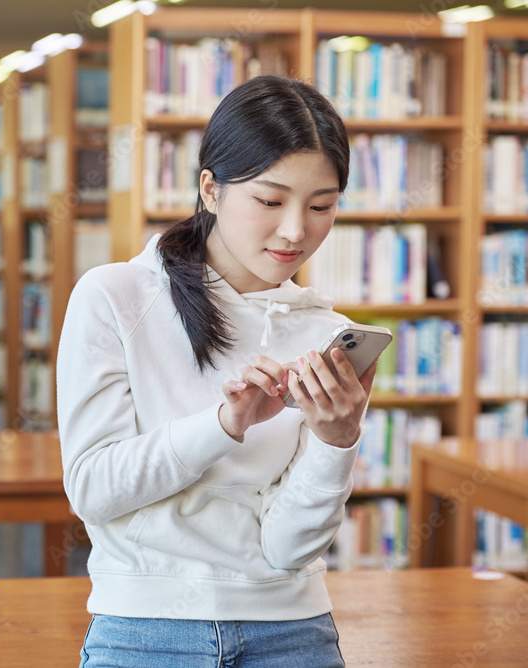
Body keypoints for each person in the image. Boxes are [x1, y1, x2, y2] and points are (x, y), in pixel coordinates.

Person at [57, 75, 372, 667]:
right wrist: (224, 425)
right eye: (270, 200)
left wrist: (337, 441)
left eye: (321, 206)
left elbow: (287, 549)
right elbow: (93, 488)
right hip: (145, 627)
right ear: (210, 188)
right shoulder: (115, 296)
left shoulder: (328, 335)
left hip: (292, 631)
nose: (295, 231)